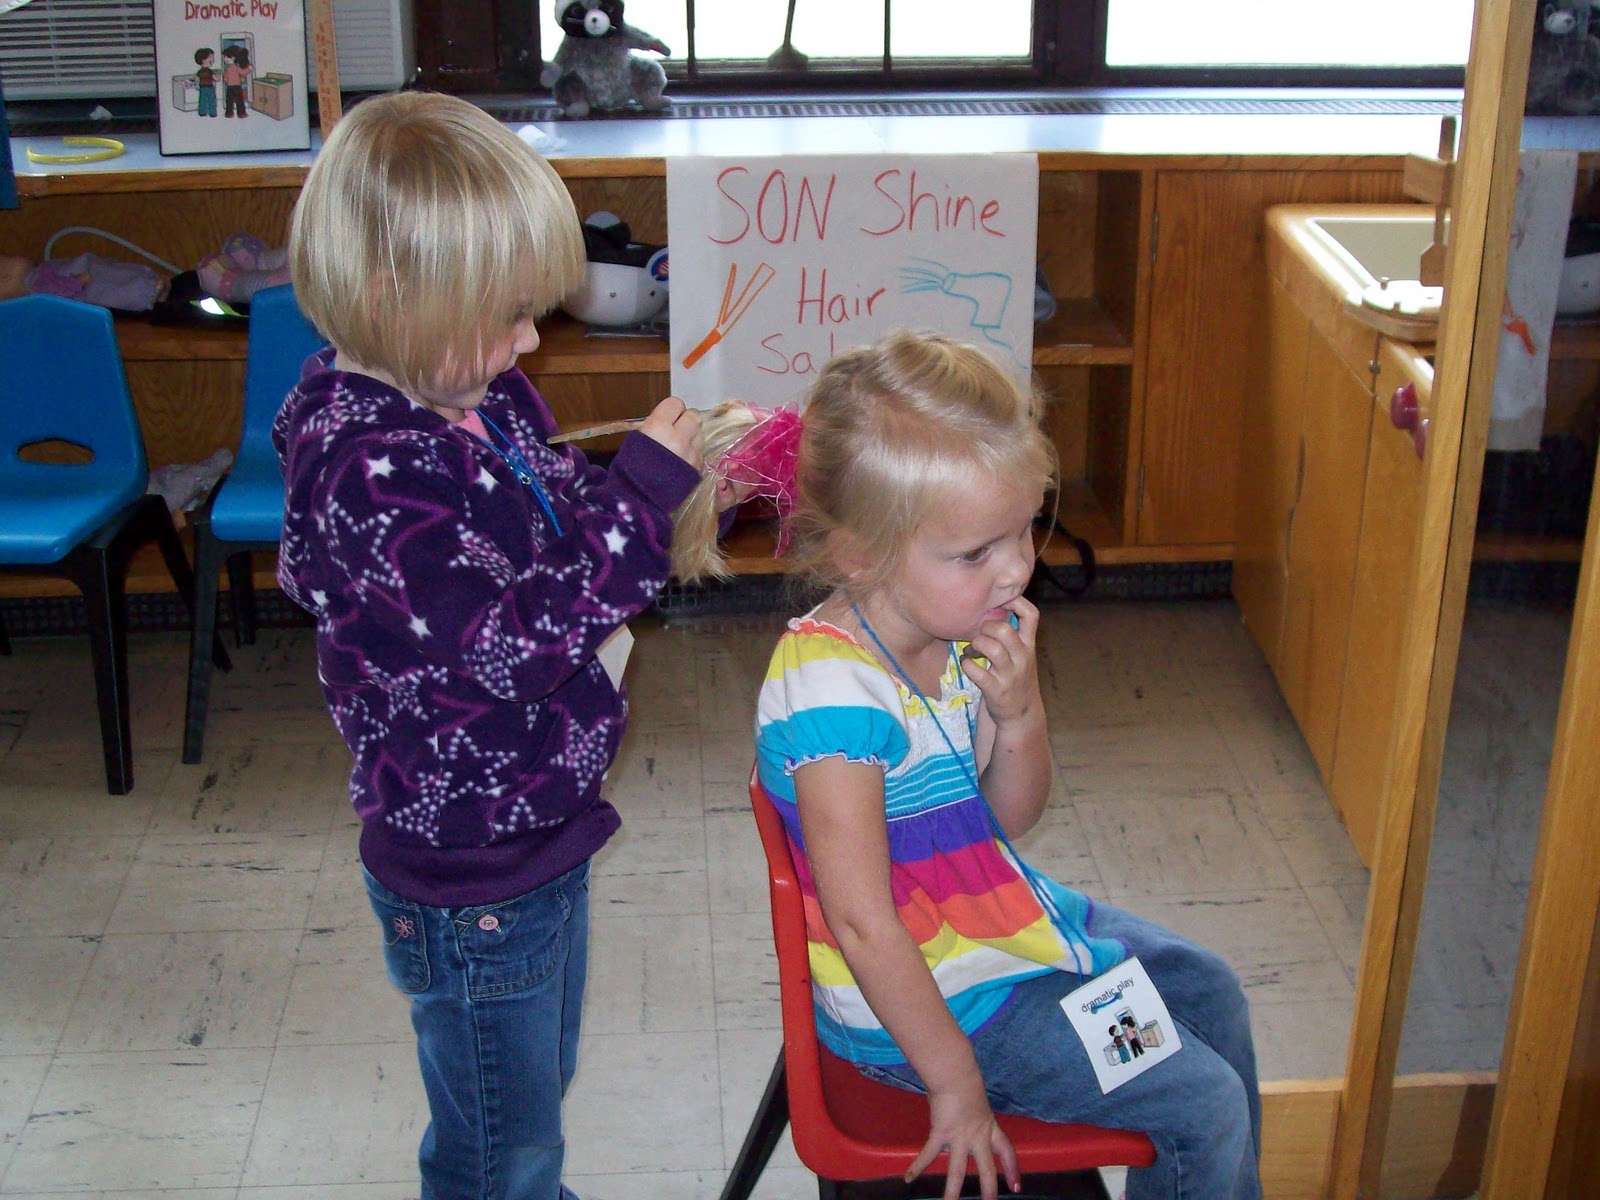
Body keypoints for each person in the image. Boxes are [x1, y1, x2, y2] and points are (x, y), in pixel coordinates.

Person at [274, 91, 714, 1200]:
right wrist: (641, 502)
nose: (531, 340)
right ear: (393, 301)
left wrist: (633, 498)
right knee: (494, 1146)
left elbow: (549, 502)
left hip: (532, 828)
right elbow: (511, 648)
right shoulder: (371, 475)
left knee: (527, 1093)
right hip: (469, 865)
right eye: (508, 313)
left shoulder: (475, 391)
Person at [749, 330, 1262, 1200]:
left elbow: (1007, 817)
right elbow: (867, 924)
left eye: (1024, 529)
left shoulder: (942, 631)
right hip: (944, 1008)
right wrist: (954, 1082)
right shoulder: (833, 700)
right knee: (1202, 1105)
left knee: (1209, 991)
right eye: (975, 552)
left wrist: (1019, 713)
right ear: (859, 554)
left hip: (993, 926)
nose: (1017, 568)